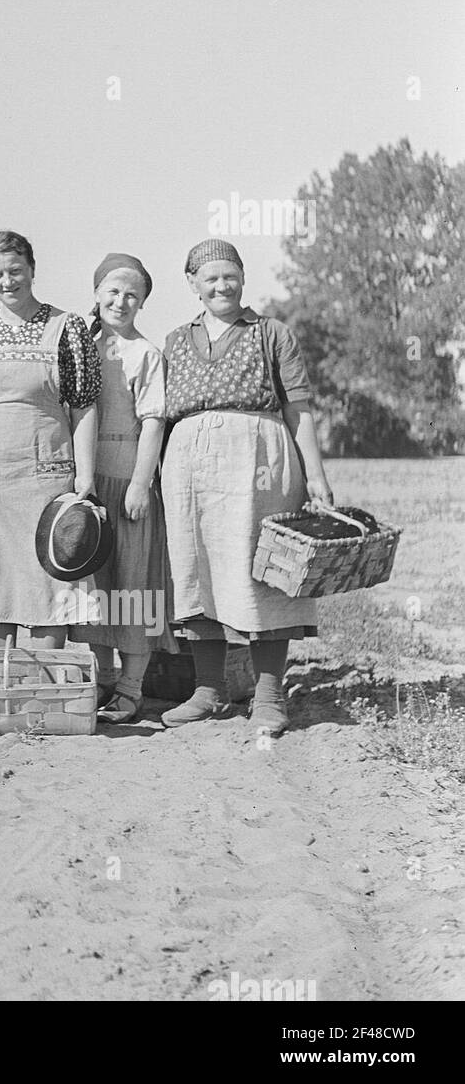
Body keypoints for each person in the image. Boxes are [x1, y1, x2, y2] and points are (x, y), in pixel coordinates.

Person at [159, 239, 333, 738]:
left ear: (243, 279)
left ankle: (270, 694)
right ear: (192, 284)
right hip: (190, 462)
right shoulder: (173, 341)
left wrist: (316, 476)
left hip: (260, 459)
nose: (221, 286)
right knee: (198, 568)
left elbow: (298, 407)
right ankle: (208, 690)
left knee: (266, 572)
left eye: (229, 276)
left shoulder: (271, 333)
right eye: (210, 278)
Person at [0, 229, 101, 650]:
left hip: (46, 478)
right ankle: (0, 699)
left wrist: (86, 477)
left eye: (15, 271)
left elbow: (83, 406)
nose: (7, 282)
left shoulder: (68, 326)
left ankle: (42, 694)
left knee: (50, 583)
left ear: (32, 270)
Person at [68, 253, 176, 722]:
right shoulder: (81, 348)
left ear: (143, 302)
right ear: (96, 294)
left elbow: (154, 424)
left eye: (132, 294)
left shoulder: (146, 354)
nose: (121, 301)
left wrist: (139, 484)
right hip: (87, 484)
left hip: (128, 480)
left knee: (133, 589)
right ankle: (100, 683)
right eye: (112, 291)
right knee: (92, 589)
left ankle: (131, 691)